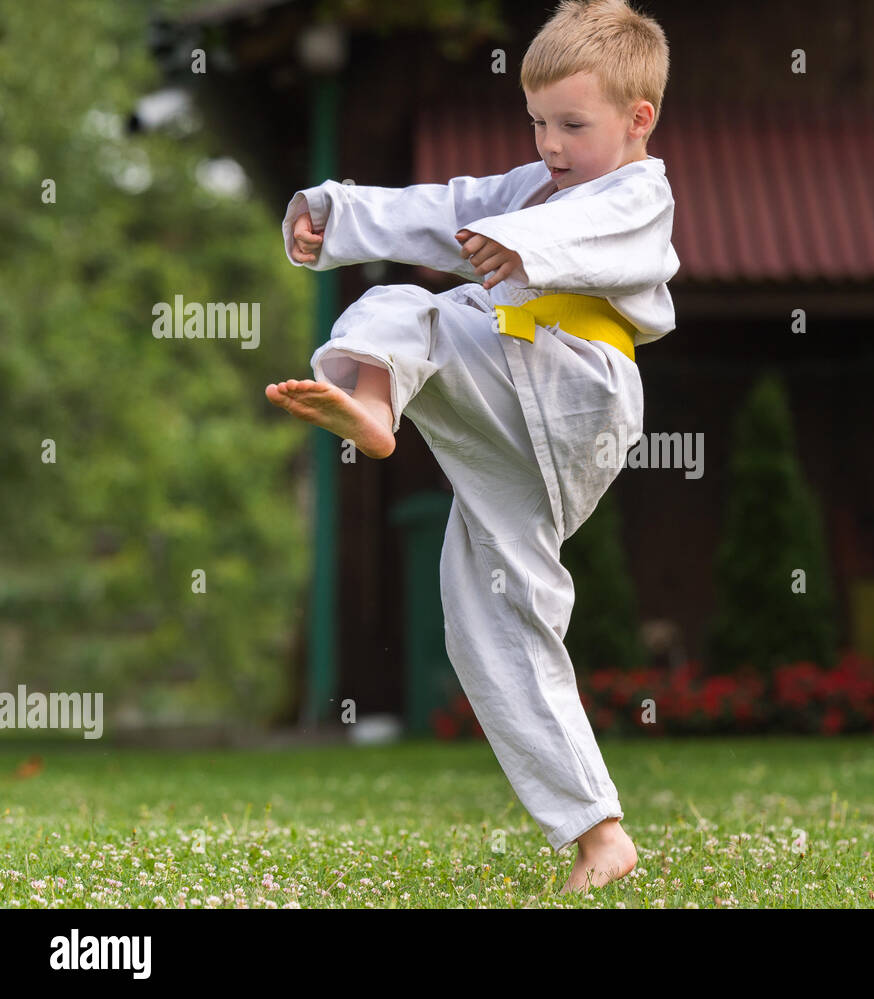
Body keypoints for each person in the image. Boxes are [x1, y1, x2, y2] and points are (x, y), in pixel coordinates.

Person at [266, 0, 676, 895]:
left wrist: (519, 242)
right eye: (536, 122)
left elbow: (587, 233)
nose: (551, 142)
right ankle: (598, 830)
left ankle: (380, 405)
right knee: (487, 616)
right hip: (519, 415)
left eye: (572, 123)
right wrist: (332, 216)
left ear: (637, 119)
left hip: (579, 389)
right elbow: (439, 211)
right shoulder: (529, 187)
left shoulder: (638, 191)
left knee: (426, 311)